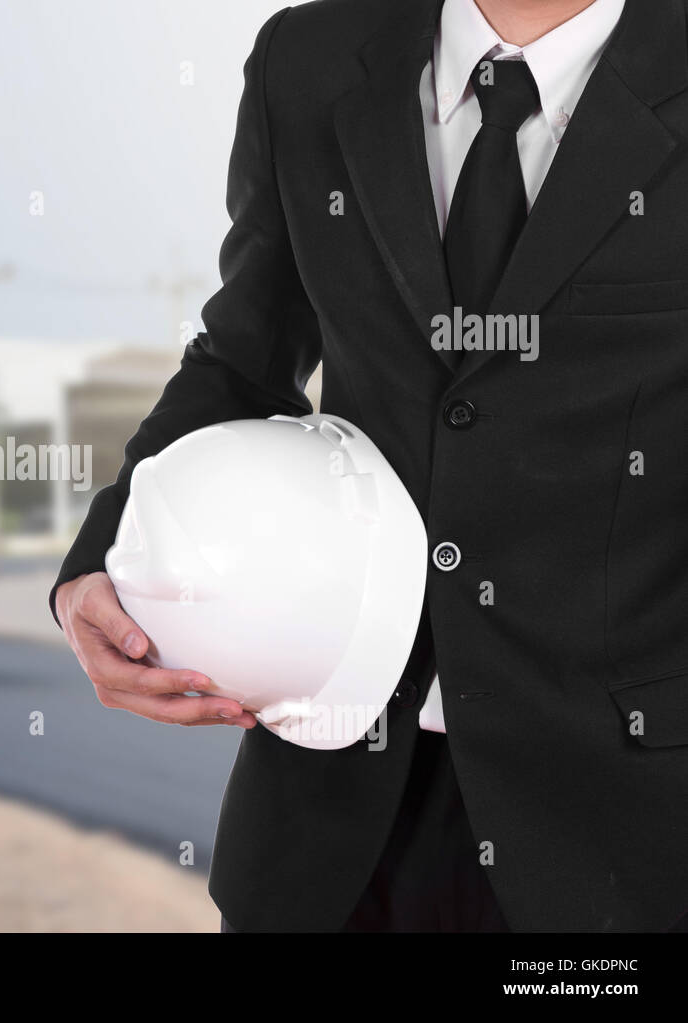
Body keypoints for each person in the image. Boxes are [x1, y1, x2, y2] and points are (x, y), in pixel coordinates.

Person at [51, 0, 688, 932]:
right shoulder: (305, 60)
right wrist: (99, 561)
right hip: (327, 823)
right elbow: (241, 362)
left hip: (620, 837)